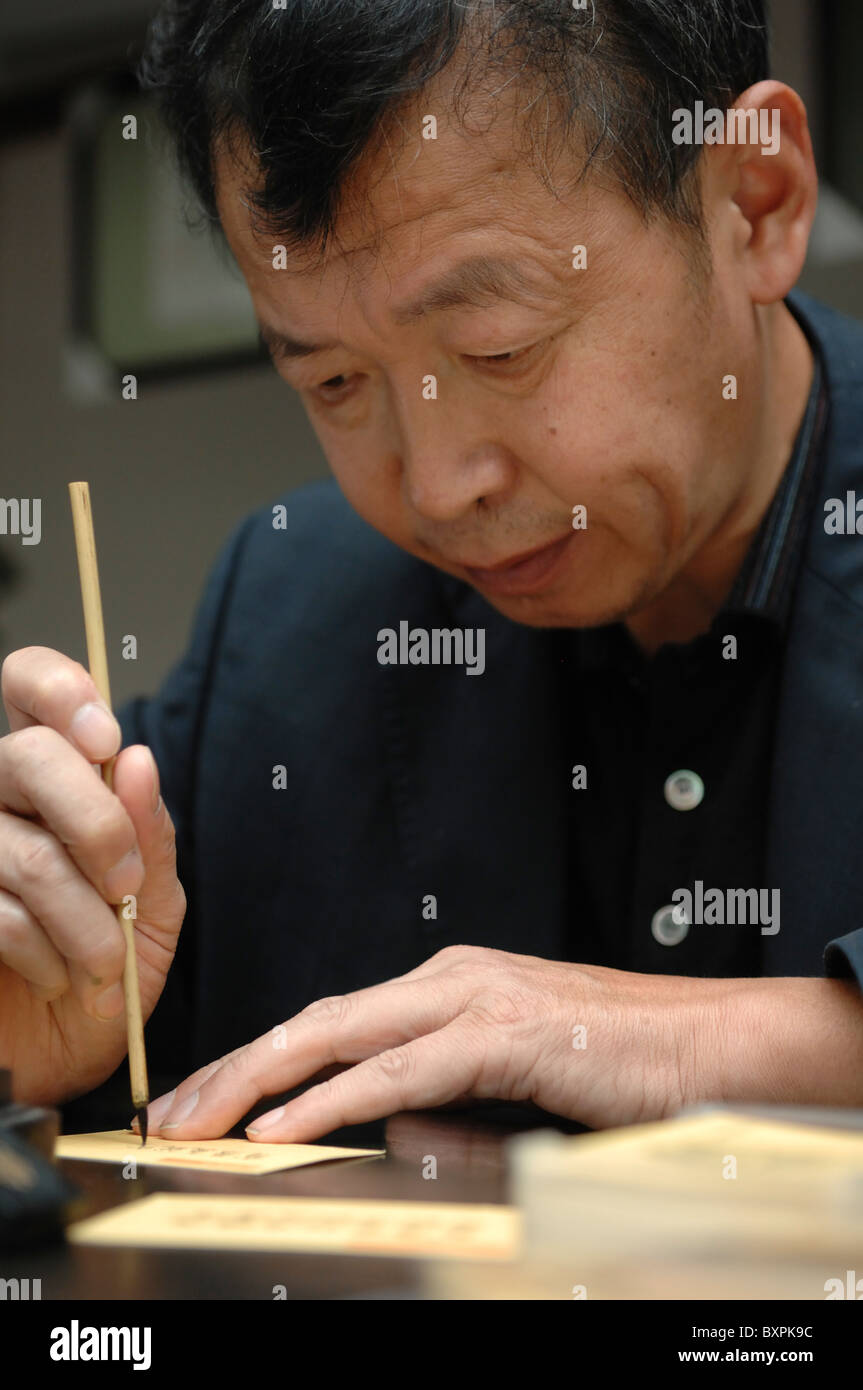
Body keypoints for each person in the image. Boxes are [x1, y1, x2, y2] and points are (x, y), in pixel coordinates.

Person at [2, 0, 863, 1143]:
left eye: (498, 347)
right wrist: (38, 1044)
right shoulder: (292, 621)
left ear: (752, 202)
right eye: (335, 384)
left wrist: (704, 1042)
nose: (437, 484)